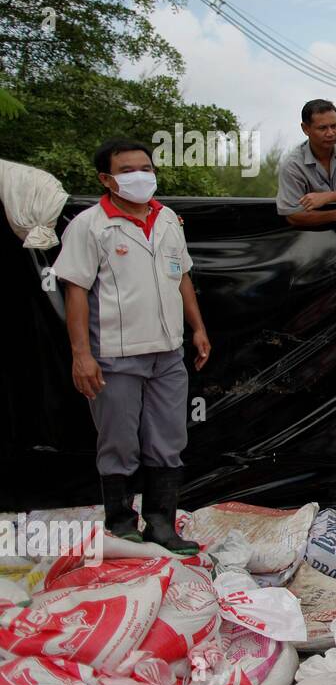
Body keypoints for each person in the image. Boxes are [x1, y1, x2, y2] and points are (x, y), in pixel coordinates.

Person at [51, 139, 209, 551]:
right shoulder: (90, 225)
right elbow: (75, 291)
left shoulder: (169, 219)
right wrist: (81, 355)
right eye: (128, 170)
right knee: (118, 441)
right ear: (106, 179)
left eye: (146, 167)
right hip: (115, 355)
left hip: (168, 352)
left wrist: (197, 328)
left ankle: (161, 524)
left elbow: (182, 277)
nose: (141, 176)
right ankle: (121, 522)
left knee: (168, 441)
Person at [277, 99, 336, 228]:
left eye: (334, 126)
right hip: (312, 237)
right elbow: (293, 216)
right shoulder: (292, 166)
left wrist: (326, 197)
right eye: (322, 128)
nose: (330, 133)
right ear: (305, 129)